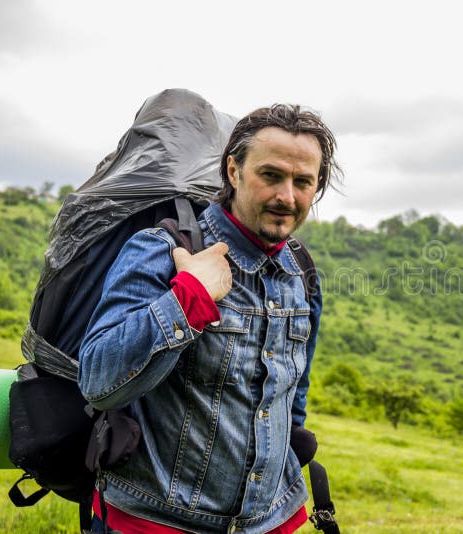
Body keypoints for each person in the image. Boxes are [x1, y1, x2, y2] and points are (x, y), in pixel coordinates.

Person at [78, 104, 340, 534]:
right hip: (155, 521)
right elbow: (99, 381)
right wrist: (189, 298)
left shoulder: (301, 272)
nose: (287, 197)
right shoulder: (161, 250)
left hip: (268, 521)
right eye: (271, 175)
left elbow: (293, 392)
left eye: (303, 182)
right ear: (233, 171)